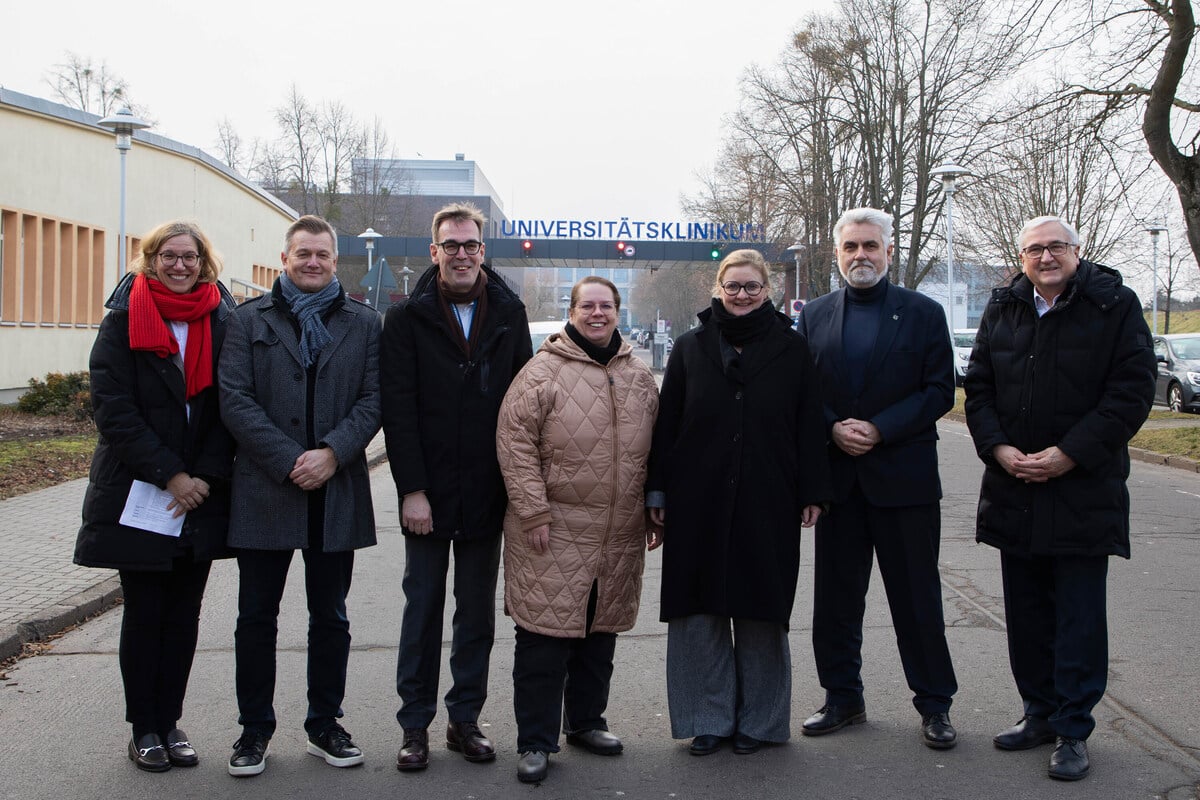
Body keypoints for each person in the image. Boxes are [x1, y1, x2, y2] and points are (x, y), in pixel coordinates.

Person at [963, 215, 1155, 781]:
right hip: (1014, 486)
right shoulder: (1005, 306)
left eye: (1054, 248)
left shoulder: (1113, 304)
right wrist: (998, 449)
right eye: (1033, 250)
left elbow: (1132, 390)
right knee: (1025, 615)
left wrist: (1070, 453)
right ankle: (1038, 714)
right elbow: (978, 389)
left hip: (1082, 489)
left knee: (1077, 617)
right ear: (1021, 257)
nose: (1044, 258)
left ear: (1077, 250)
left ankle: (1073, 729)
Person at [646, 249, 830, 757]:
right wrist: (657, 491)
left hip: (769, 494)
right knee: (699, 611)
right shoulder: (689, 348)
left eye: (751, 286)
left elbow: (809, 423)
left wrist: (814, 489)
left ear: (767, 289)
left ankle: (761, 721)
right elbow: (667, 426)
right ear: (718, 289)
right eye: (733, 286)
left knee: (760, 609)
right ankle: (707, 717)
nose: (742, 295)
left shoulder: (793, 350)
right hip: (695, 498)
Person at [219, 215, 381, 777]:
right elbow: (234, 399)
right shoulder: (246, 320)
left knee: (331, 617)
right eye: (303, 254)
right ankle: (254, 730)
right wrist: (290, 459)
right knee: (256, 618)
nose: (313, 263)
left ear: (337, 262)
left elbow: (374, 398)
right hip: (266, 488)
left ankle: (324, 724)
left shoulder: (364, 323)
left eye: (323, 255)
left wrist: (333, 452)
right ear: (284, 259)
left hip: (334, 491)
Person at [74, 220, 236, 772]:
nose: (180, 265)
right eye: (169, 256)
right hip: (141, 493)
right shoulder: (123, 322)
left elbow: (227, 405)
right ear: (151, 259)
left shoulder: (221, 318)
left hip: (200, 495)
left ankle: (171, 721)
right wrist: (171, 474)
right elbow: (113, 409)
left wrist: (204, 477)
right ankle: (143, 728)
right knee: (145, 613)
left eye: (190, 256)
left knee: (184, 615)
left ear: (203, 262)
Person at [796, 208, 959, 749]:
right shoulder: (814, 315)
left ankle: (935, 705)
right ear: (836, 253)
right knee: (837, 602)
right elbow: (802, 394)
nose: (861, 255)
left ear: (889, 251)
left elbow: (940, 390)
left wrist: (880, 429)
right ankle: (842, 697)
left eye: (871, 246)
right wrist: (832, 428)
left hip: (904, 481)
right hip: (839, 483)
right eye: (851, 247)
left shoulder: (923, 312)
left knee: (917, 600)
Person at [380, 202, 532, 772]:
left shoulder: (509, 313)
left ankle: (464, 720)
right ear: (434, 251)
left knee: (476, 614)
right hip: (429, 492)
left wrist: (520, 488)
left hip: (488, 492)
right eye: (452, 245)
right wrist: (411, 489)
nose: (463, 254)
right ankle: (413, 725)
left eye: (471, 245)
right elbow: (398, 410)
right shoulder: (406, 319)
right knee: (421, 608)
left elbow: (522, 408)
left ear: (483, 252)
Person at [495, 277, 660, 783]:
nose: (596, 313)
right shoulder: (541, 371)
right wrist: (534, 512)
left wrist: (654, 506)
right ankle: (536, 741)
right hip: (553, 527)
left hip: (618, 528)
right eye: (586, 305)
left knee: (599, 631)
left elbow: (660, 447)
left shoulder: (638, 375)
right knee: (544, 636)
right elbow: (514, 443)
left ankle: (586, 722)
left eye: (605, 305)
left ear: (617, 310)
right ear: (571, 311)